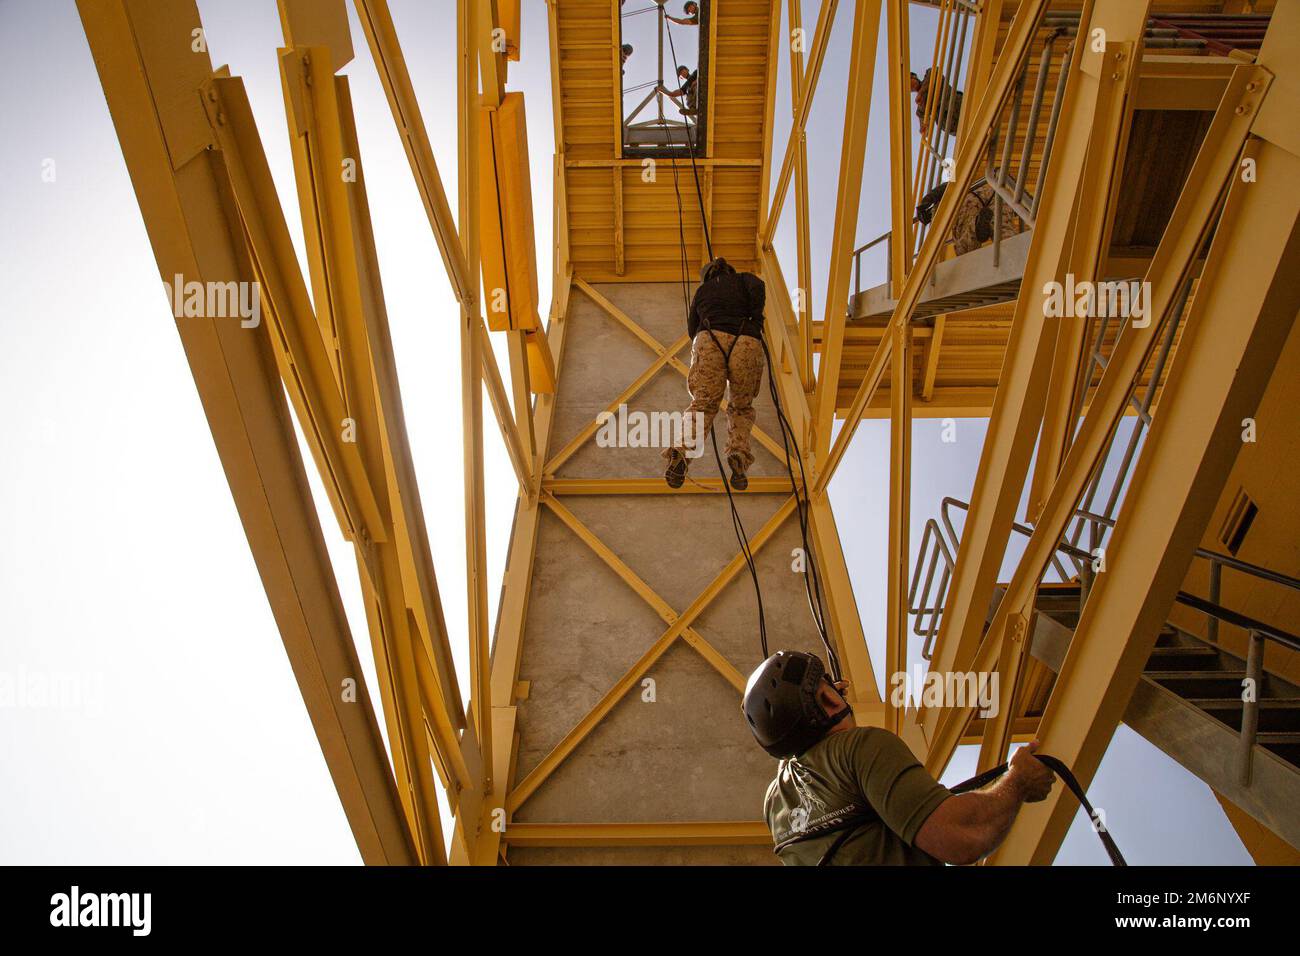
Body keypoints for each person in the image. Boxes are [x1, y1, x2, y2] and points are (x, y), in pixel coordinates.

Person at [743, 650, 1057, 865]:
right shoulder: (861, 747)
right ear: (829, 698)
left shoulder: (775, 803)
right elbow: (960, 835)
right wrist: (1018, 782)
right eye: (830, 687)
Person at [663, 258, 766, 491]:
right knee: (741, 405)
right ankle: (738, 454)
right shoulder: (745, 280)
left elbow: (692, 328)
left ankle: (682, 451)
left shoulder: (703, 290)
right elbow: (758, 288)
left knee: (703, 404)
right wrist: (756, 319)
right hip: (746, 339)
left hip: (709, 338)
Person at [910, 68, 962, 136]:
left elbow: (936, 71)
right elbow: (925, 129)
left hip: (959, 107)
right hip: (954, 126)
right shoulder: (921, 107)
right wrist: (923, 130)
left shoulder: (930, 76)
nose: (910, 86)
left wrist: (921, 93)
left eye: (909, 81)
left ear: (914, 77)